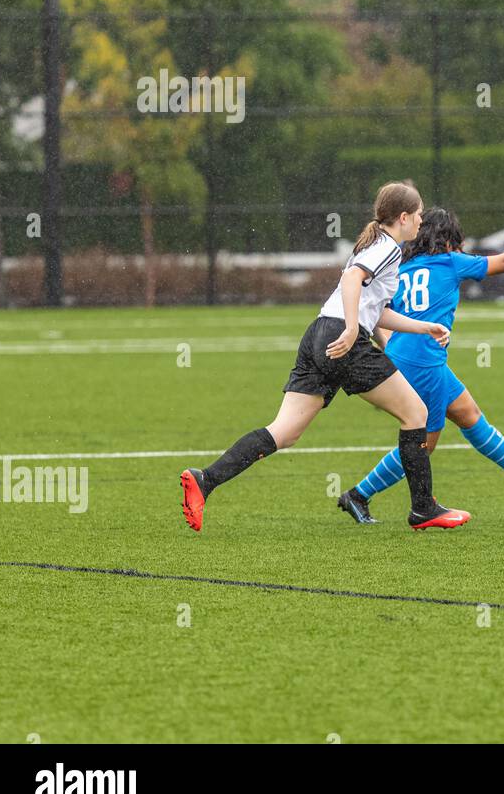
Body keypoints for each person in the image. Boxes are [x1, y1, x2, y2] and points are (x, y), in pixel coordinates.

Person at [179, 182, 468, 532]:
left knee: (283, 432)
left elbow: (373, 311)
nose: (422, 220)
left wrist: (423, 327)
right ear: (403, 217)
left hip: (317, 334)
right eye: (419, 213)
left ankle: (204, 480)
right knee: (416, 412)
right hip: (341, 338)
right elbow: (351, 279)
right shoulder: (389, 247)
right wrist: (350, 330)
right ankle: (424, 508)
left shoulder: (376, 243)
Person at [338, 207, 504, 523]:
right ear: (449, 240)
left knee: (468, 414)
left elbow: (379, 313)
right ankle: (359, 495)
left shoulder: (404, 268)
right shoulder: (450, 262)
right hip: (425, 362)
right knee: (424, 443)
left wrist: (388, 348)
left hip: (406, 355)